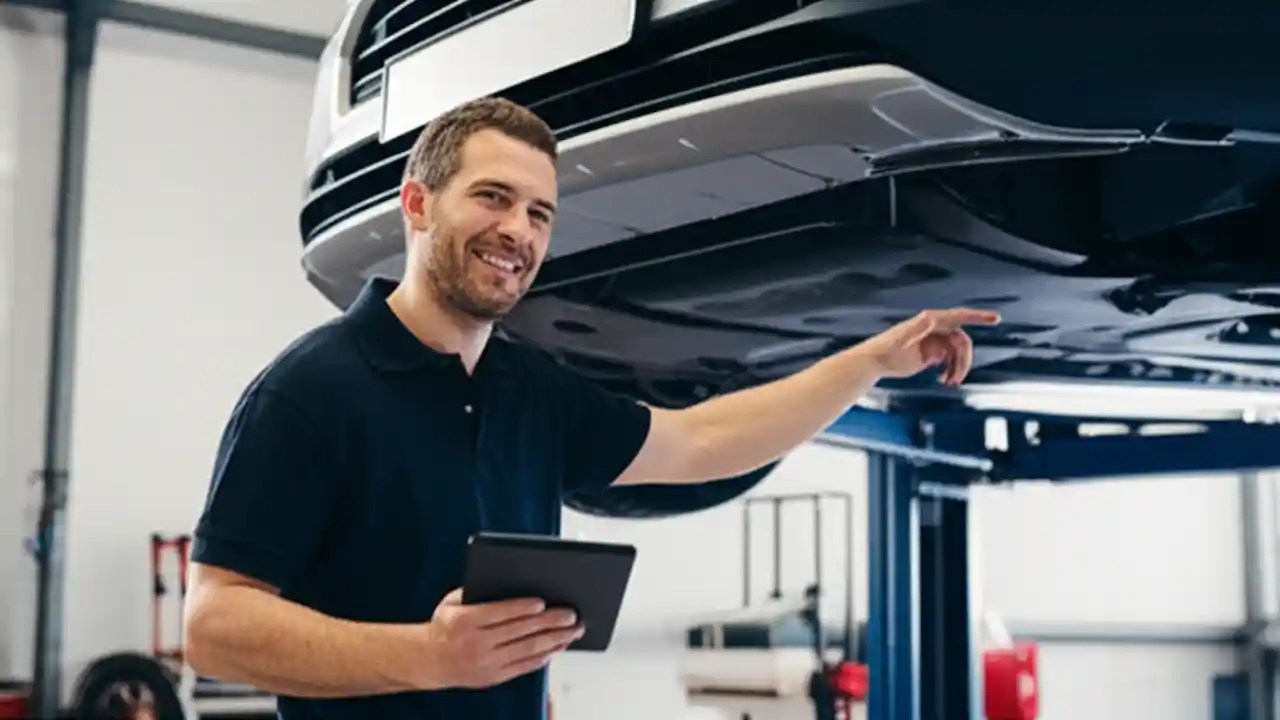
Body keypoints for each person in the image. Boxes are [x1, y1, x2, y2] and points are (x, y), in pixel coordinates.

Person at [181, 96, 999, 720]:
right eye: (493, 198)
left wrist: (866, 364)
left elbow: (699, 442)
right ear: (418, 204)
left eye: (539, 213)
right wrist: (430, 656)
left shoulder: (529, 388)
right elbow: (216, 626)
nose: (518, 232)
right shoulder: (309, 392)